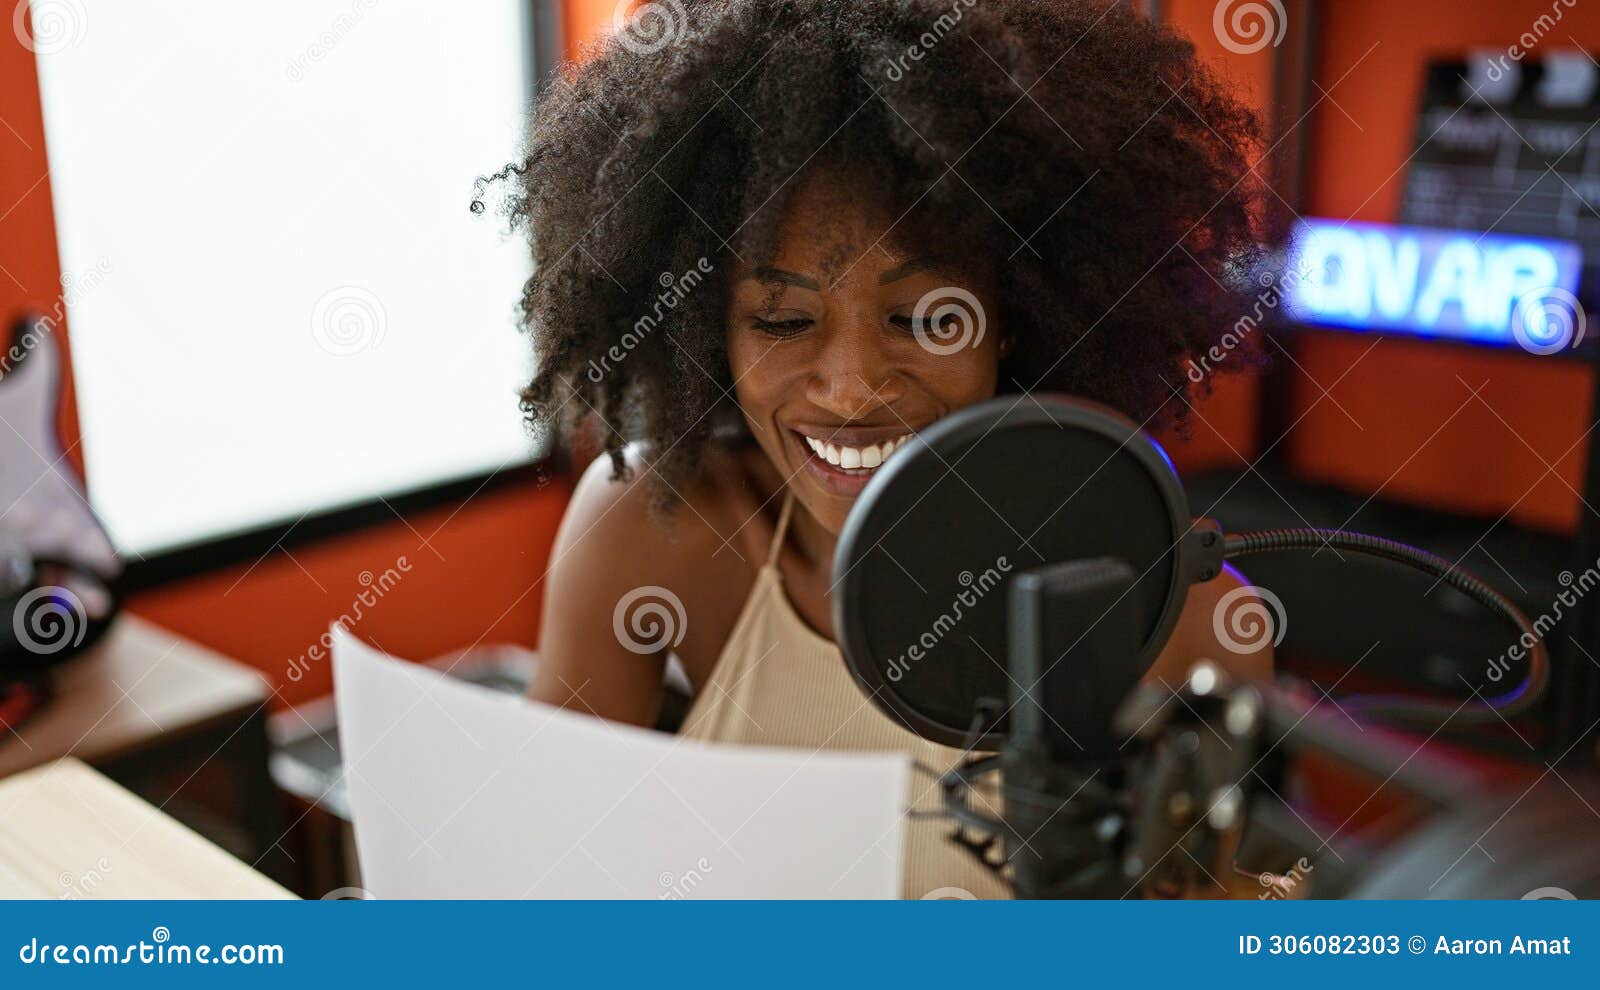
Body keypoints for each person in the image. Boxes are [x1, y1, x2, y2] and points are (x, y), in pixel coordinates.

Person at [484, 0, 1279, 898]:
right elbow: (539, 887)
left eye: (922, 319)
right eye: (783, 320)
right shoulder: (651, 530)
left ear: (1011, 318)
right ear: (712, 331)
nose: (851, 388)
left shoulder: (1174, 619)